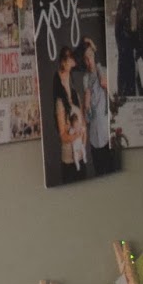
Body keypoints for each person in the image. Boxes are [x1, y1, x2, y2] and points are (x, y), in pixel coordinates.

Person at [80, 38, 113, 175]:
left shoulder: (105, 71)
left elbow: (116, 103)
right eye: (86, 59)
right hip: (94, 139)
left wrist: (108, 89)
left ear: (94, 55)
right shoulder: (85, 80)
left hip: (108, 136)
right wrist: (86, 107)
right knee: (100, 176)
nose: (89, 62)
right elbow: (88, 118)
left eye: (91, 57)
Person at [52, 46, 82, 183]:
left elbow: (83, 122)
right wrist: (79, 134)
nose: (72, 63)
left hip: (80, 158)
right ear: (63, 63)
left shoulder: (75, 94)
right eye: (68, 60)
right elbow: (64, 137)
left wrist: (87, 42)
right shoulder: (60, 102)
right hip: (69, 162)